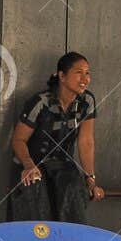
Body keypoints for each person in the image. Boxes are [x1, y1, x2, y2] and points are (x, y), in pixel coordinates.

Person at [10, 52, 105, 224]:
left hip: (63, 167)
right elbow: (18, 140)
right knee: (36, 201)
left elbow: (86, 142)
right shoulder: (40, 103)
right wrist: (29, 165)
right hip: (33, 166)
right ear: (62, 76)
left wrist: (90, 179)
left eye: (87, 73)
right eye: (79, 72)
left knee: (73, 191)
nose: (85, 79)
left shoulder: (87, 101)